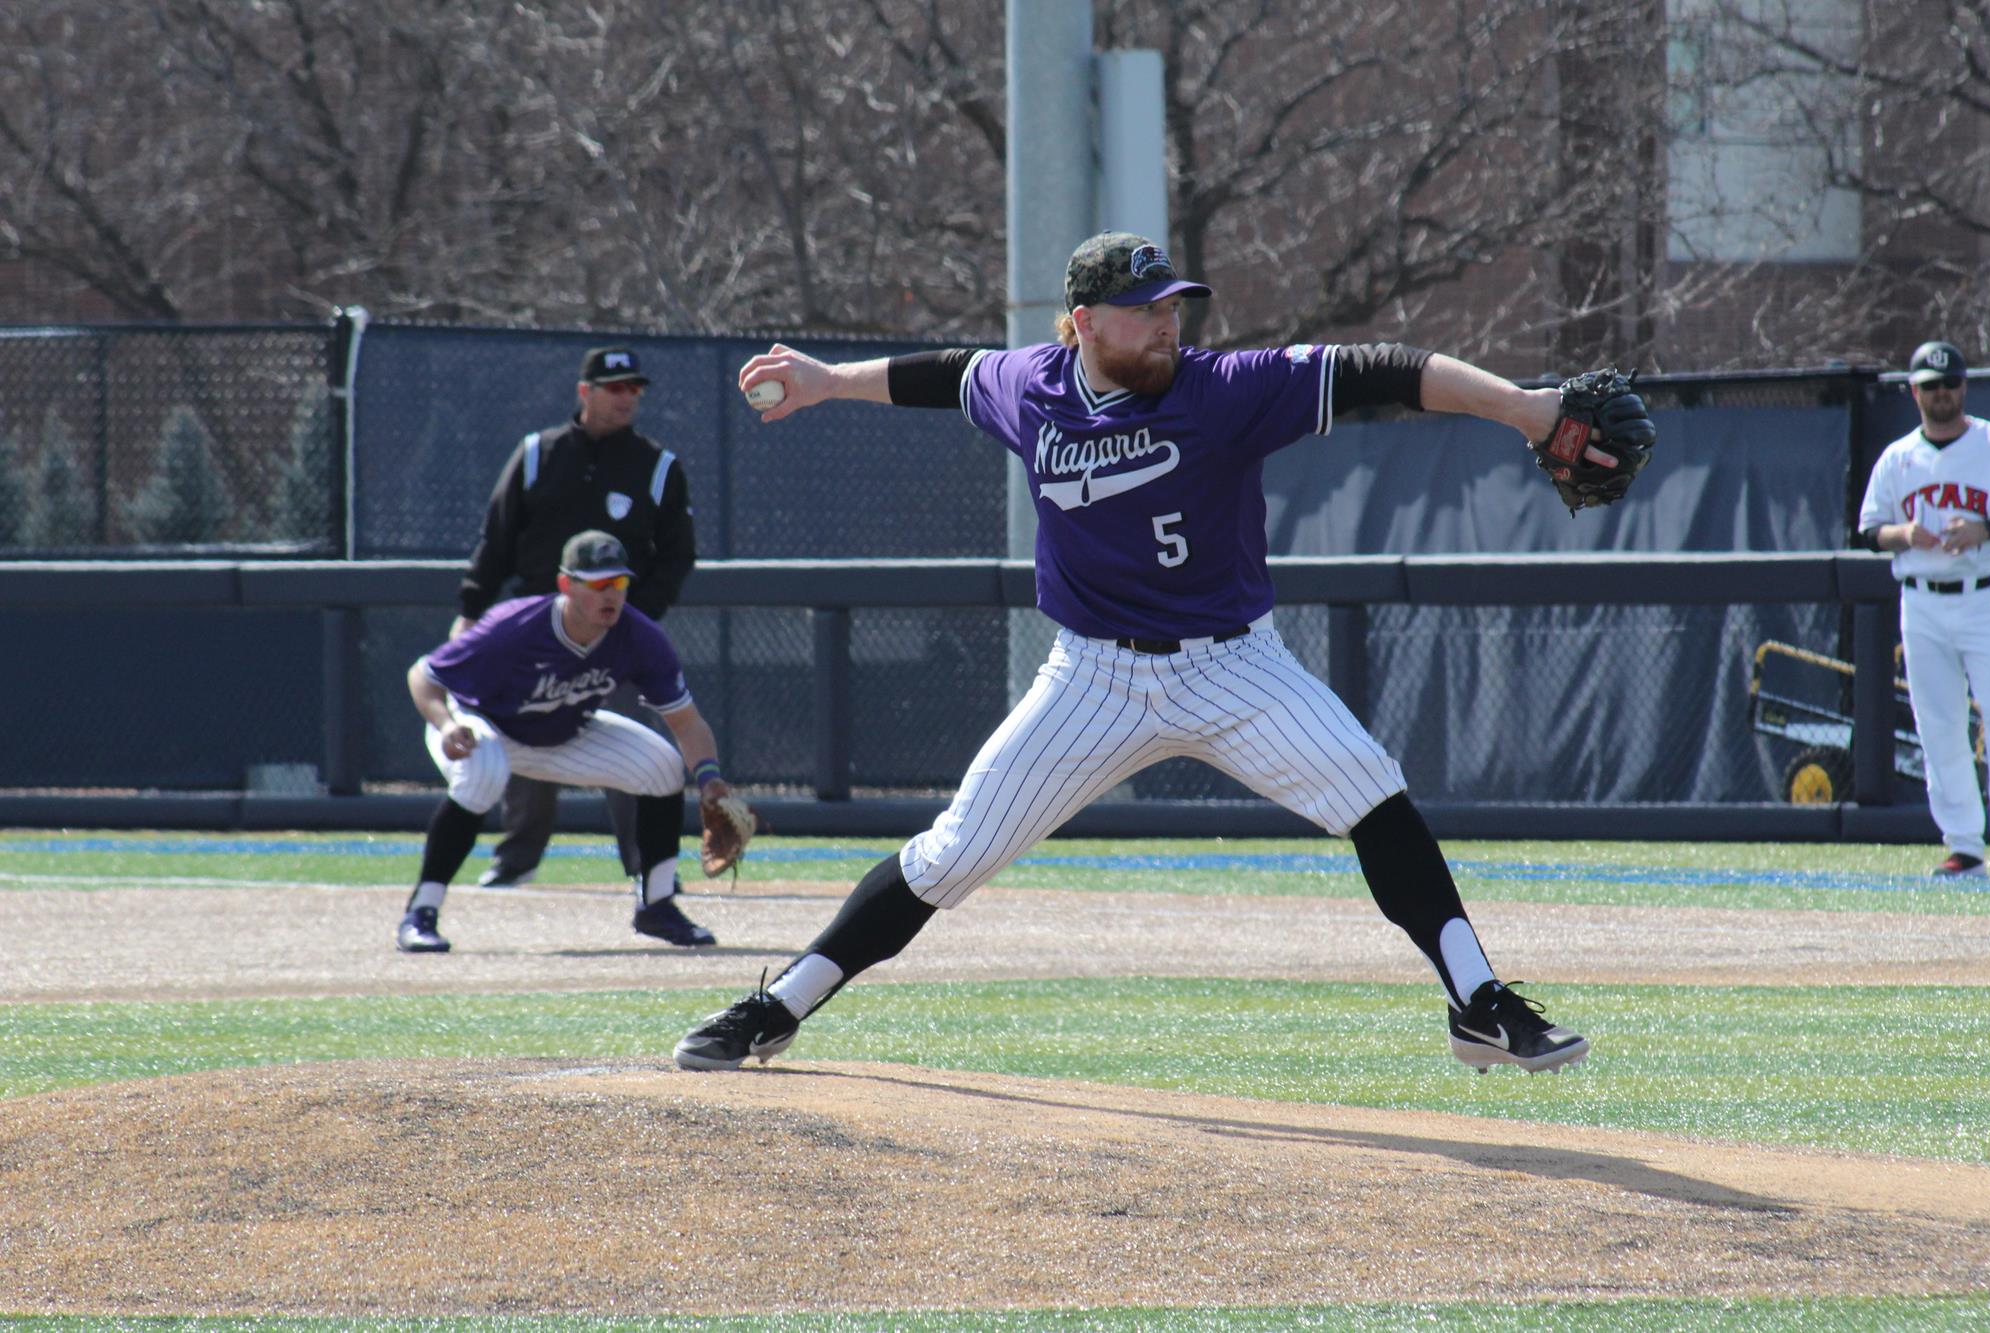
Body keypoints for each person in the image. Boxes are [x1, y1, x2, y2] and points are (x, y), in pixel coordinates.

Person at [674, 231, 1601, 1074]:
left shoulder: (1223, 390)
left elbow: (1386, 370)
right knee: (949, 858)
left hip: (1233, 666)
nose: (1166, 324)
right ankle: (779, 1005)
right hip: (1092, 677)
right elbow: (947, 372)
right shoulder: (1031, 385)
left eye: (1171, 305)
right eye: (1142, 309)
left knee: (1372, 788)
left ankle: (1478, 1003)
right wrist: (831, 381)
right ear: (1082, 324)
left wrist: (1523, 408)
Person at [397, 530, 724, 952]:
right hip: (480, 725)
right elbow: (424, 675)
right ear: (567, 585)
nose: (612, 595)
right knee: (484, 773)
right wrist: (444, 725)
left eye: (619, 583)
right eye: (599, 584)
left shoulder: (638, 636)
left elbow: (687, 722)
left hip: (561, 731)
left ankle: (656, 907)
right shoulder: (515, 626)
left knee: (662, 766)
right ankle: (420, 913)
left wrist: (711, 778)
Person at [456, 345, 699, 890]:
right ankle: (517, 859)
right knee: (523, 736)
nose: (627, 398)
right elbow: (495, 540)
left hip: (611, 632)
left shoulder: (657, 466)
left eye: (635, 388)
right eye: (615, 387)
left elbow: (677, 554)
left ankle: (648, 866)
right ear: (584, 391)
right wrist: (473, 610)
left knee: (632, 748)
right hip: (534, 631)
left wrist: (636, 618)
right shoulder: (538, 454)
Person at [1858, 339, 1990, 877]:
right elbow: (1872, 530)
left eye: (1950, 383)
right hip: (1922, 601)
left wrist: (1985, 528)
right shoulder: (1898, 458)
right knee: (1938, 722)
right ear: (1913, 391)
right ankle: (1964, 844)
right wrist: (1903, 533)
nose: (1941, 393)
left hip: (1987, 593)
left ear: (1964, 386)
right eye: (1930, 385)